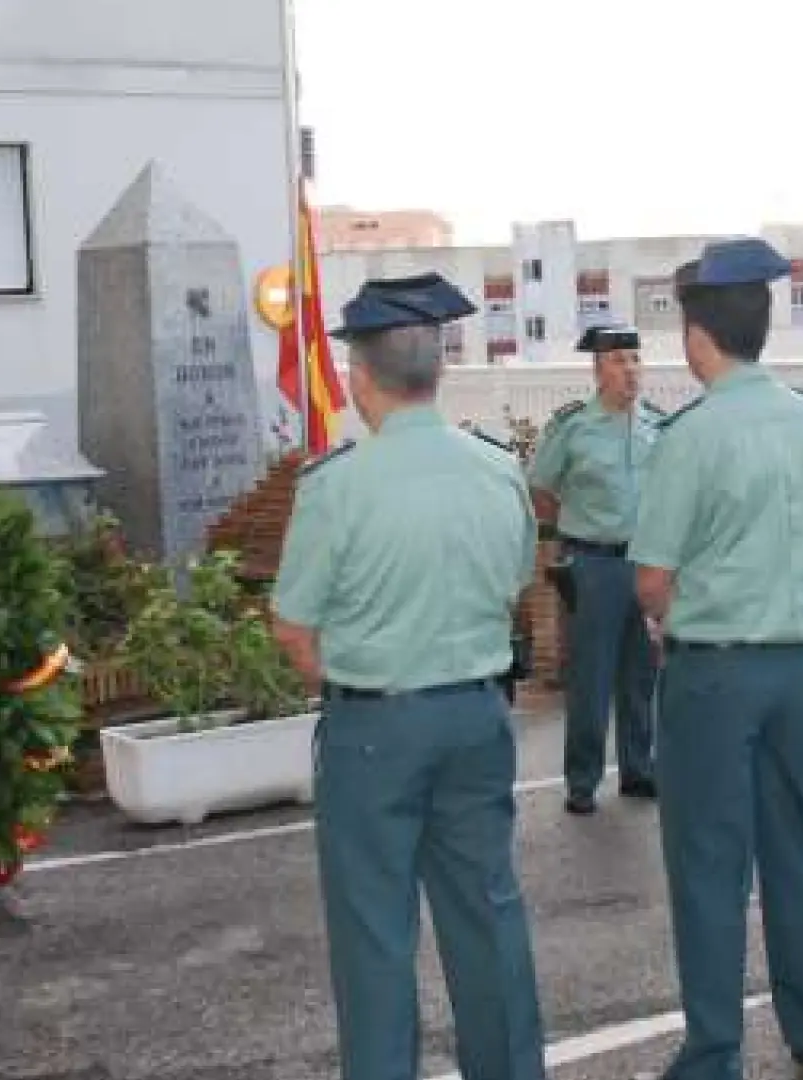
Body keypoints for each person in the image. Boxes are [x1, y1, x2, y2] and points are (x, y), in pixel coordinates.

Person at [271, 272, 546, 1080]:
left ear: (359, 375)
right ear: (439, 371)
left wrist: (361, 680)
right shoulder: (497, 469)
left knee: (375, 930)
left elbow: (293, 628)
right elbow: (517, 580)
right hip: (477, 715)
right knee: (488, 912)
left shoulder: (337, 484)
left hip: (375, 726)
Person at [629, 237, 803, 1080]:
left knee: (711, 863)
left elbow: (652, 580)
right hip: (797, 667)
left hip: (714, 671)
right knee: (800, 853)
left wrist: (677, 615)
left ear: (695, 334)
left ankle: (714, 1052)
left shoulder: (691, 434)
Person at [529, 322, 662, 815]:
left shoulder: (656, 426)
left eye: (635, 360)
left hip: (645, 562)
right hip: (595, 564)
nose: (630, 371)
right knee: (591, 676)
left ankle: (638, 768)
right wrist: (573, 525)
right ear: (597, 370)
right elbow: (539, 489)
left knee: (642, 674)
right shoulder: (573, 428)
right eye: (618, 362)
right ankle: (581, 781)